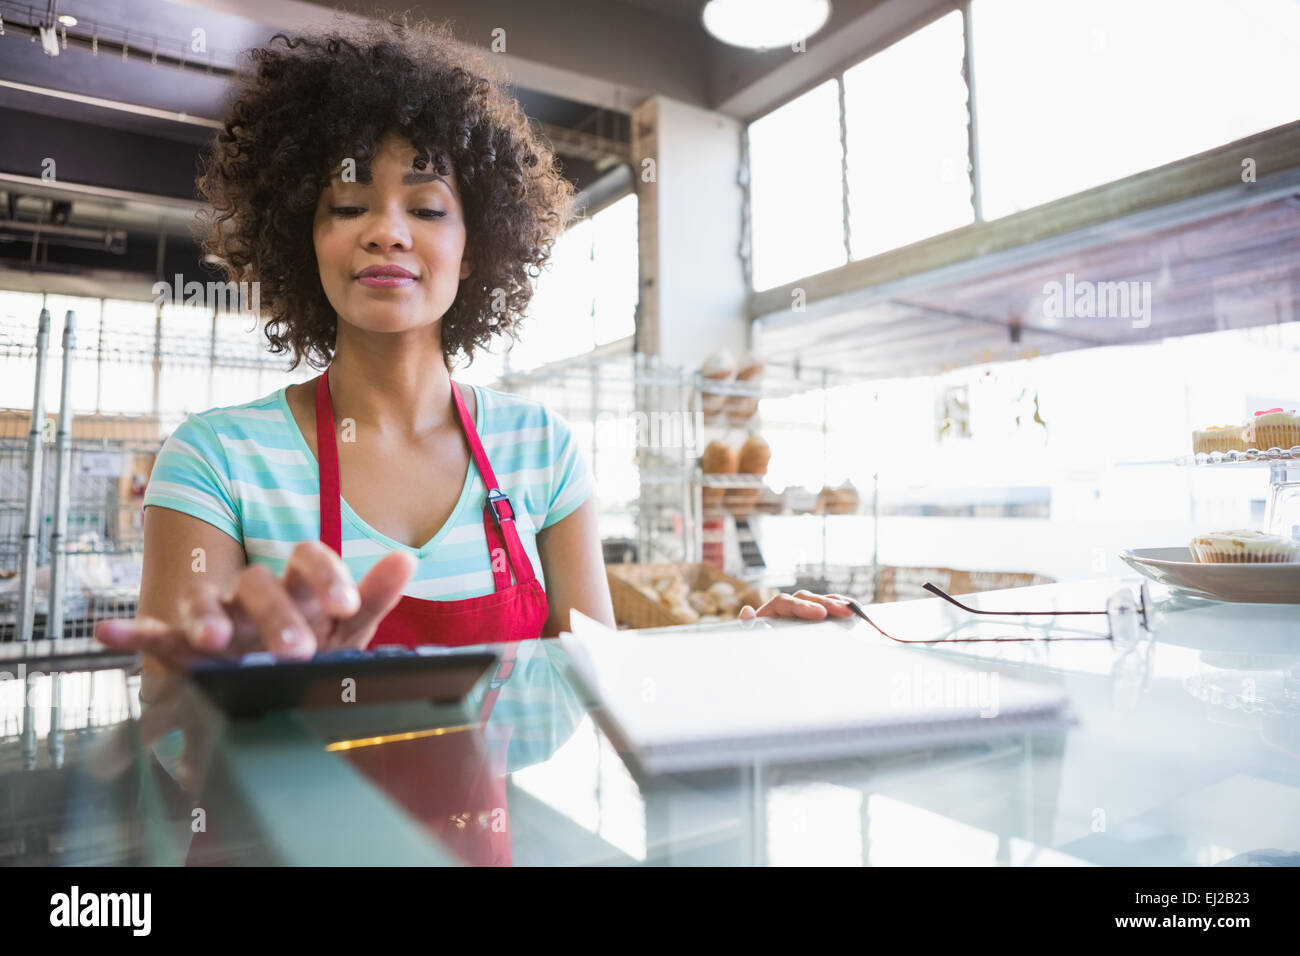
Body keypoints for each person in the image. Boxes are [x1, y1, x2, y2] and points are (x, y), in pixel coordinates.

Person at [94, 16, 853, 681]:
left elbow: (597, 690)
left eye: (426, 206)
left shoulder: (542, 452)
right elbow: (166, 727)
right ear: (304, 240)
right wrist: (222, 682)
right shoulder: (214, 460)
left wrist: (740, 649)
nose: (386, 229)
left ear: (475, 248)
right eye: (348, 205)